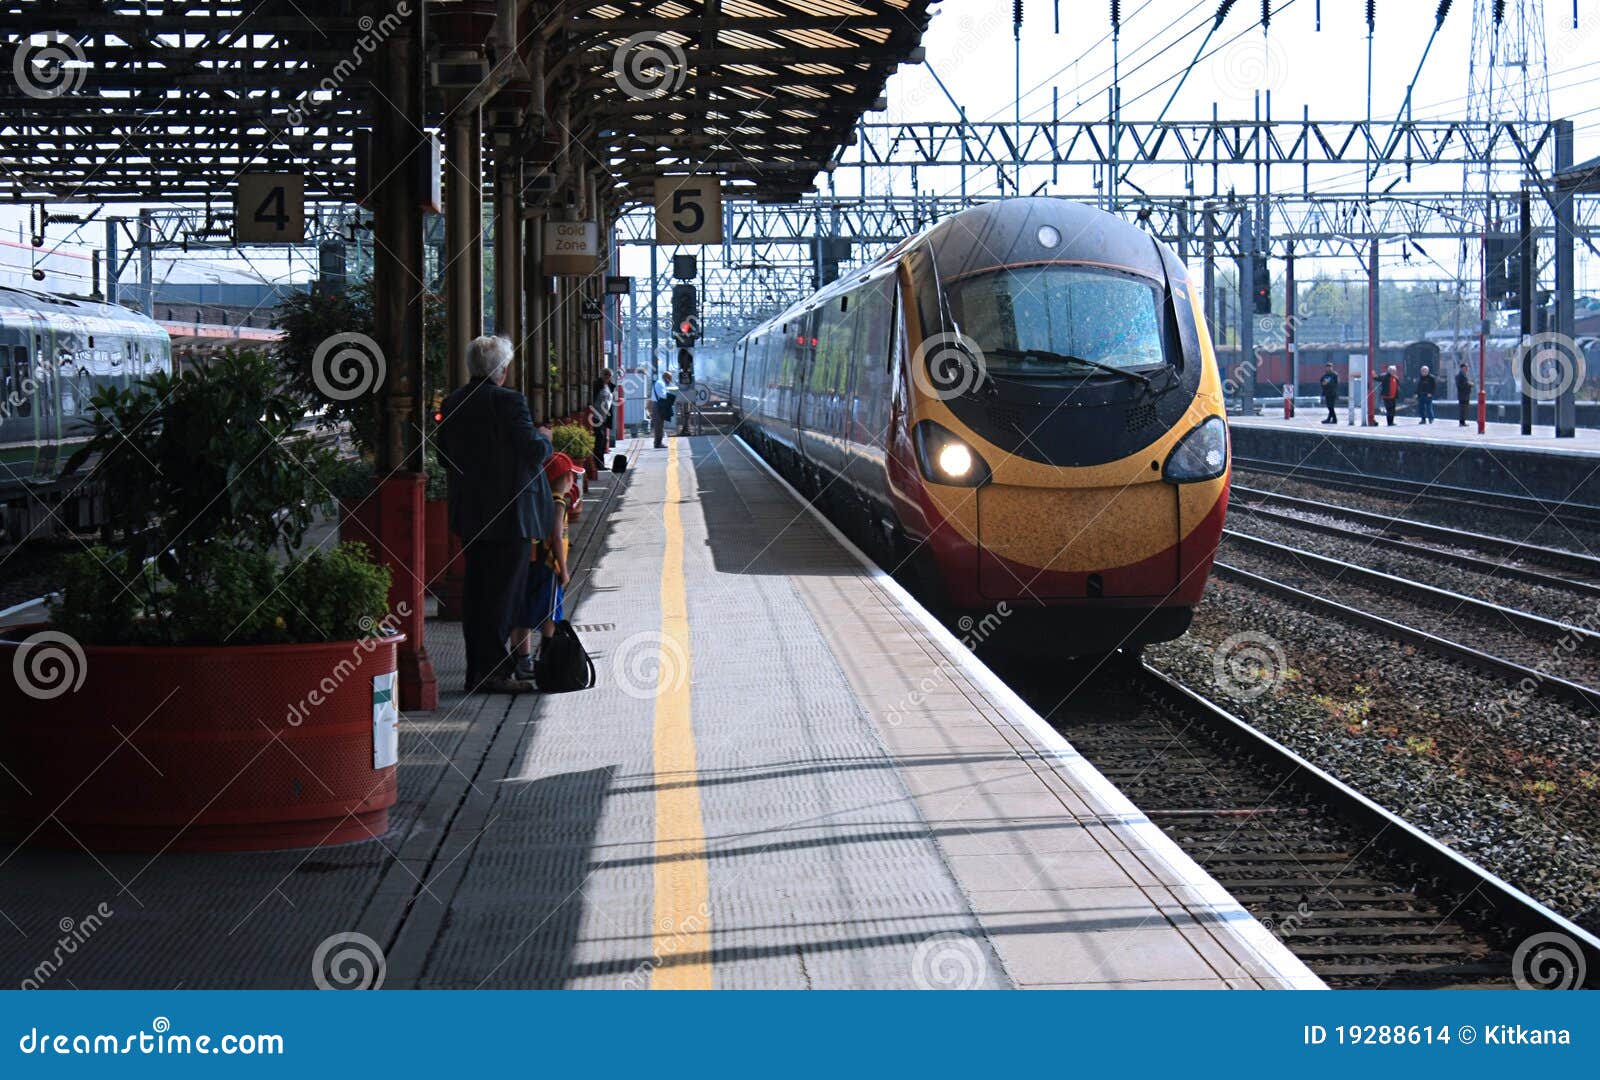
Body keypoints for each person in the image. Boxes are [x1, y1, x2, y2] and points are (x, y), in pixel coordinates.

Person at [436, 335, 554, 694]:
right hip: (509, 517)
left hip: (471, 514)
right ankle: (492, 674)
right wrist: (545, 436)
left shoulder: (454, 401)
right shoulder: (509, 401)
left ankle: (480, 669)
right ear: (500, 370)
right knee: (504, 595)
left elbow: (443, 457)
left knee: (479, 594)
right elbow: (533, 450)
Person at [512, 451, 584, 680]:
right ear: (564, 478)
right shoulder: (558, 503)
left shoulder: (537, 500)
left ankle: (521, 660)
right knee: (551, 615)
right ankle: (549, 659)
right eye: (571, 476)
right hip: (549, 566)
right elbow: (555, 536)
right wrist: (563, 569)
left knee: (523, 613)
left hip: (531, 562)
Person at [590, 368, 614, 468]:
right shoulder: (597, 385)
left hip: (604, 417)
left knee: (603, 440)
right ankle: (598, 464)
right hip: (596, 416)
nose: (607, 377)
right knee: (599, 440)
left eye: (609, 375)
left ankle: (601, 463)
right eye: (605, 375)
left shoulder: (609, 386)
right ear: (601, 375)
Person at [651, 368, 674, 449]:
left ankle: (658, 442)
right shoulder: (660, 383)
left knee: (660, 425)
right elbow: (663, 395)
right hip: (658, 405)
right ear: (666, 378)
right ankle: (658, 443)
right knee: (659, 425)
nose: (670, 381)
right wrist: (670, 395)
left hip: (657, 405)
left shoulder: (660, 383)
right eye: (670, 379)